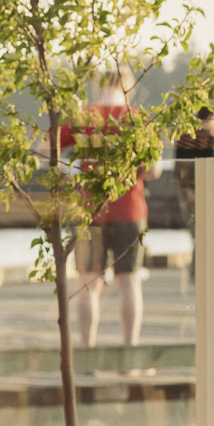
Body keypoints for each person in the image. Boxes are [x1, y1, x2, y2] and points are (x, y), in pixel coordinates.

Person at [63, 69, 149, 349]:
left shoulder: (84, 116)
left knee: (88, 285)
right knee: (130, 283)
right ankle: (130, 352)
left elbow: (46, 148)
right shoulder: (137, 119)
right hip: (129, 210)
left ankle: (87, 351)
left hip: (90, 210)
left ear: (98, 86)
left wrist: (74, 169)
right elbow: (154, 169)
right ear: (128, 87)